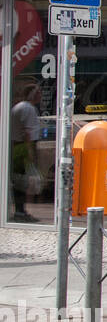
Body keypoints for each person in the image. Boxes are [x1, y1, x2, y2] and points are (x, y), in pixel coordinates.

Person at [9, 84, 41, 222]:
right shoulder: (28, 108)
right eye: (38, 92)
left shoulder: (21, 107)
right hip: (22, 146)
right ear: (32, 94)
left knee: (20, 179)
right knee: (22, 181)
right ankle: (20, 212)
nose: (40, 95)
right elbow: (27, 132)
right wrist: (29, 153)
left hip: (18, 145)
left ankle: (20, 210)